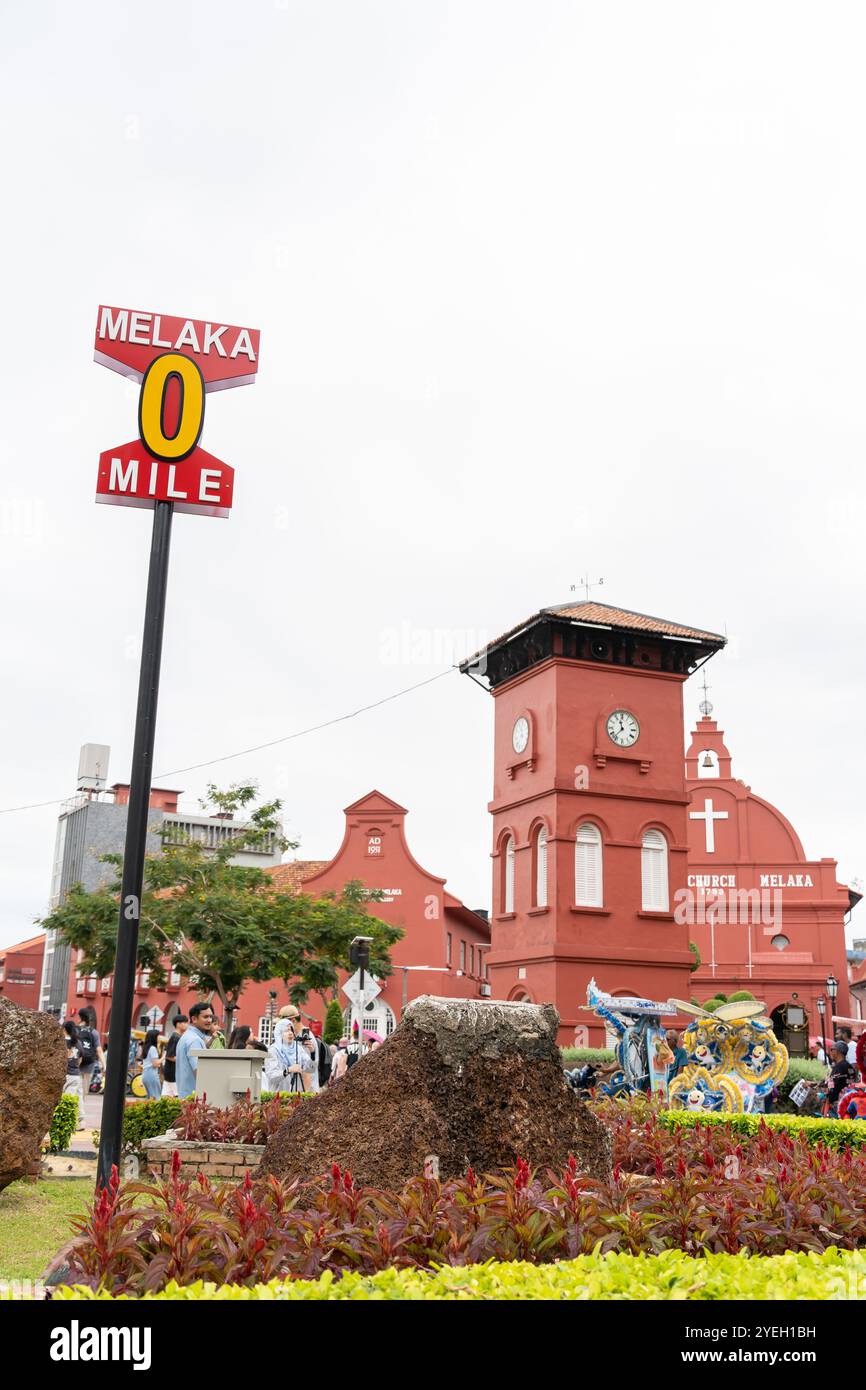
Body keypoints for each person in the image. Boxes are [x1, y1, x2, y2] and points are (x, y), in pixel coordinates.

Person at [264, 1013, 315, 1093]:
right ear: (279, 1033)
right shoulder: (273, 1050)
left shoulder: (298, 1049)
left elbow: (311, 1069)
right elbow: (272, 1076)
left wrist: (312, 1053)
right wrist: (288, 1070)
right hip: (278, 1097)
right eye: (286, 1031)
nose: (290, 1033)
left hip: (296, 1097)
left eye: (291, 1030)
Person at [174, 1001, 215, 1099]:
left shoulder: (188, 1036)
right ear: (194, 1019)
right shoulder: (194, 1040)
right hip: (194, 1099)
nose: (209, 1020)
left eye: (210, 1017)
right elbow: (200, 1072)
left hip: (186, 1097)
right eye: (205, 1017)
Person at [62, 1021, 87, 1129]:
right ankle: (81, 1121)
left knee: (67, 1099)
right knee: (78, 1098)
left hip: (65, 1075)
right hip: (76, 1075)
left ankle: (66, 1122)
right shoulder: (78, 1042)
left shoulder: (61, 1042)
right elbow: (80, 1059)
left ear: (64, 1029)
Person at [75, 1010, 105, 1095]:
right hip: (89, 1062)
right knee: (84, 1087)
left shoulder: (75, 1030)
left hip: (76, 1061)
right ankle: (82, 1104)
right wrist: (104, 1065)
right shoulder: (94, 1032)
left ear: (81, 1018)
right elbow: (99, 1050)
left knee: (75, 1086)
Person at [161, 1015, 187, 1098]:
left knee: (167, 1097)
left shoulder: (177, 1036)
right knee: (178, 1098)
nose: (187, 1025)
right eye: (185, 1023)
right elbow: (169, 1056)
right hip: (173, 1073)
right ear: (178, 1024)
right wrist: (184, 1060)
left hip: (170, 1072)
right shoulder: (175, 1037)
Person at [826, 1041, 856, 1113]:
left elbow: (832, 1084)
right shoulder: (848, 1066)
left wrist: (816, 1085)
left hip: (838, 1104)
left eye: (832, 1049)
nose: (831, 1052)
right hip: (847, 1102)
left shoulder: (840, 1067)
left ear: (838, 1051)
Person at [140, 1028, 162, 1101]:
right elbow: (155, 1064)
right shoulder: (153, 1048)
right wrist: (164, 1057)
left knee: (150, 1098)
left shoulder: (146, 1048)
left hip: (145, 1074)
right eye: (158, 1036)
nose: (159, 1037)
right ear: (154, 1037)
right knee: (156, 1098)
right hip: (151, 1074)